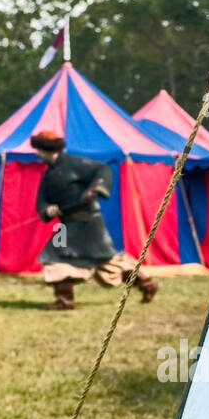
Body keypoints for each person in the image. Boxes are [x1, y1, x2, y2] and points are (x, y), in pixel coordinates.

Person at [30, 131, 158, 311]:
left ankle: (146, 284)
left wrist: (93, 190)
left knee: (107, 262)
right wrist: (48, 209)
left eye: (38, 150)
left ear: (47, 149)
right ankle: (65, 300)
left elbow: (102, 169)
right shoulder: (47, 175)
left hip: (89, 223)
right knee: (58, 257)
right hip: (67, 225)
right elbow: (42, 201)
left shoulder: (74, 163)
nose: (36, 154)